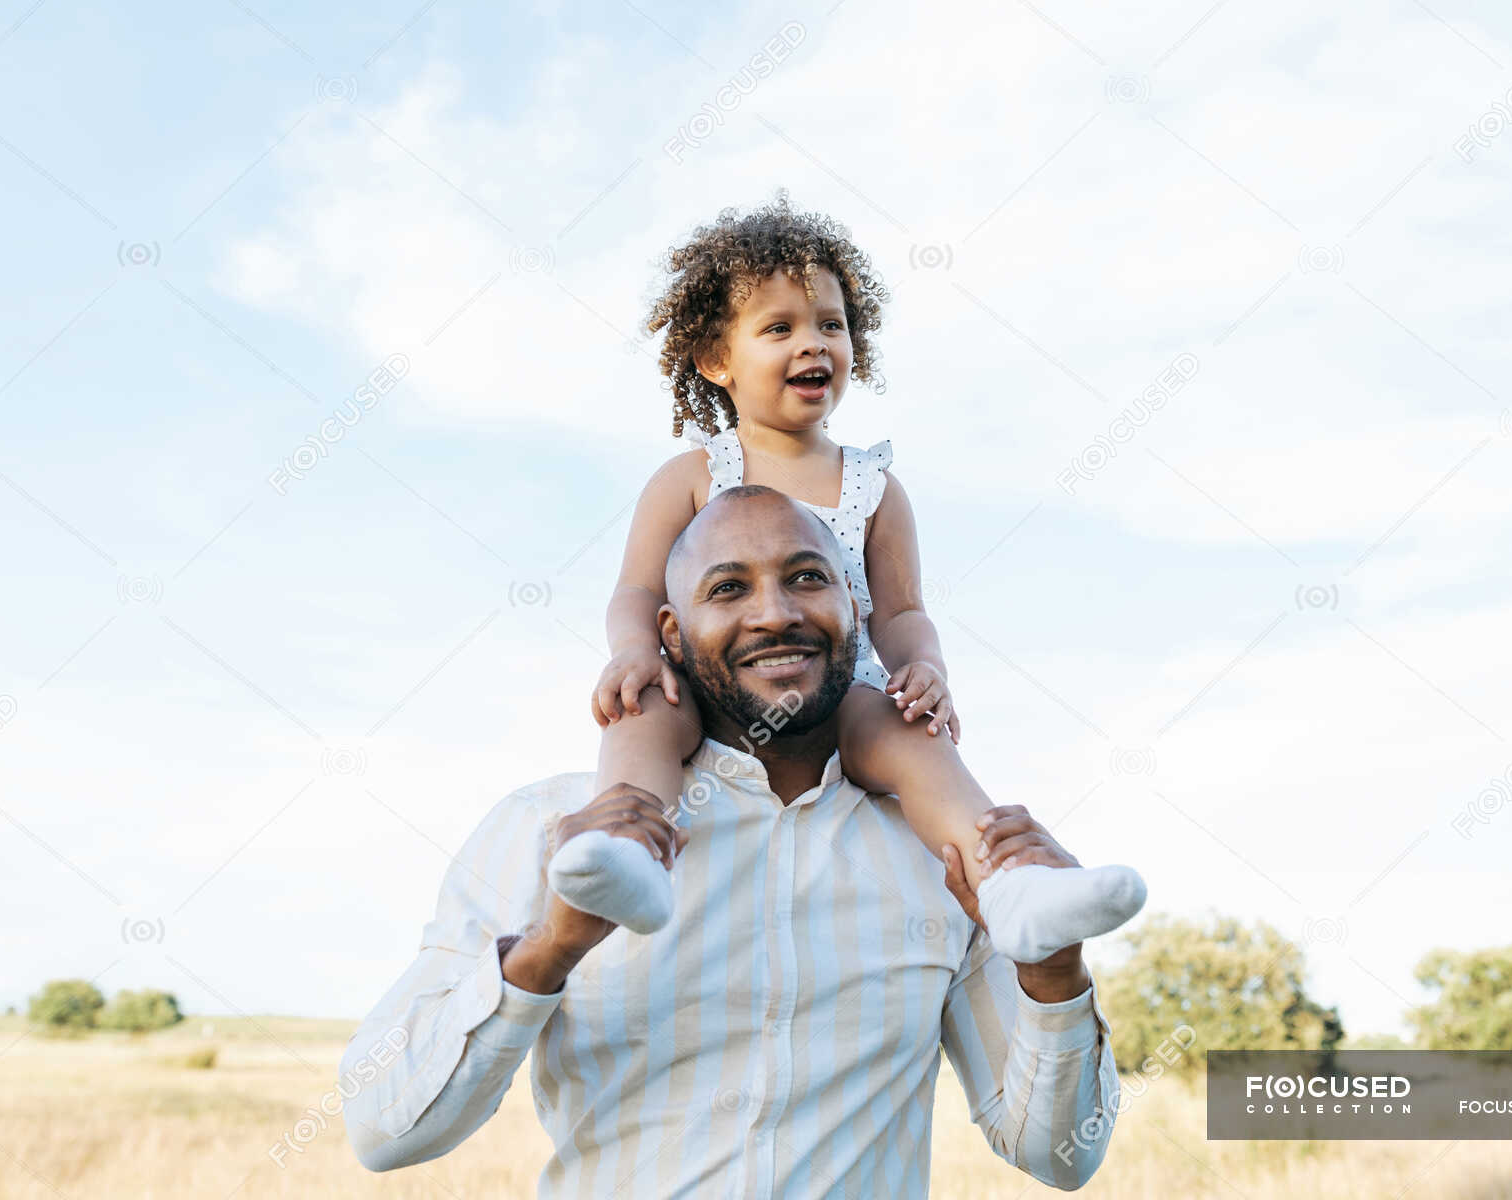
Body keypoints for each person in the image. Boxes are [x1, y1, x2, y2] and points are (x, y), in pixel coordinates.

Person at [342, 487, 1128, 1194]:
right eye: (728, 589)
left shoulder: (946, 850)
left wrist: (1054, 974)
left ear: (855, 607)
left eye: (807, 578)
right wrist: (549, 948)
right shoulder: (549, 832)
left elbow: (1060, 1157)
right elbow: (381, 1129)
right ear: (670, 634)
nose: (775, 613)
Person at [546, 192, 1145, 964]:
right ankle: (629, 849)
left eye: (831, 324)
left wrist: (924, 669)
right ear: (715, 360)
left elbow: (899, 611)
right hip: (713, 683)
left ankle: (1011, 884)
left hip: (843, 687)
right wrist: (632, 650)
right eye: (780, 328)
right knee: (644, 713)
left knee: (909, 734)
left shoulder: (873, 486)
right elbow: (637, 591)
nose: (814, 343)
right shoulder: (693, 475)